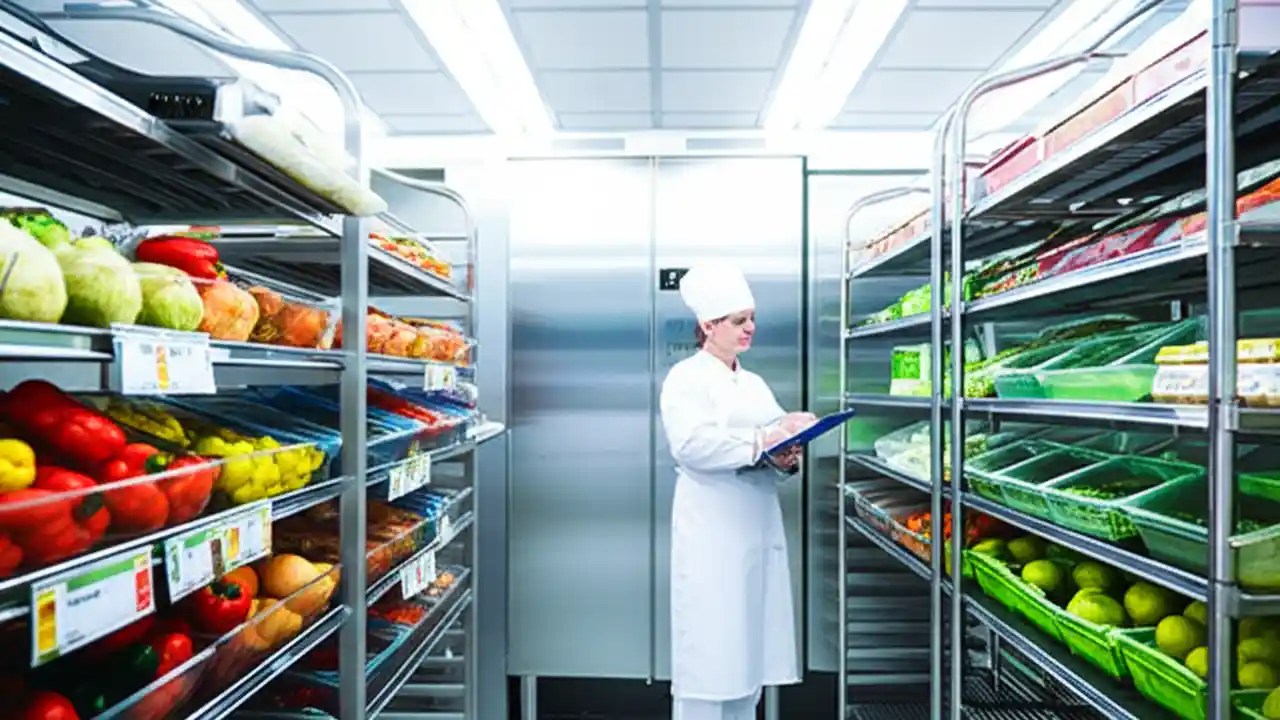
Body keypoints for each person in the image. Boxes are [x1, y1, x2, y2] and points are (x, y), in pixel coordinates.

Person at [659, 263, 816, 720]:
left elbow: (775, 437)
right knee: (710, 657)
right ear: (709, 326)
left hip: (756, 531)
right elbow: (690, 445)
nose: (750, 328)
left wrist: (786, 455)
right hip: (711, 532)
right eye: (738, 320)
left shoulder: (753, 384)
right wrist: (760, 443)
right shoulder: (686, 379)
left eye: (751, 318)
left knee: (749, 655)